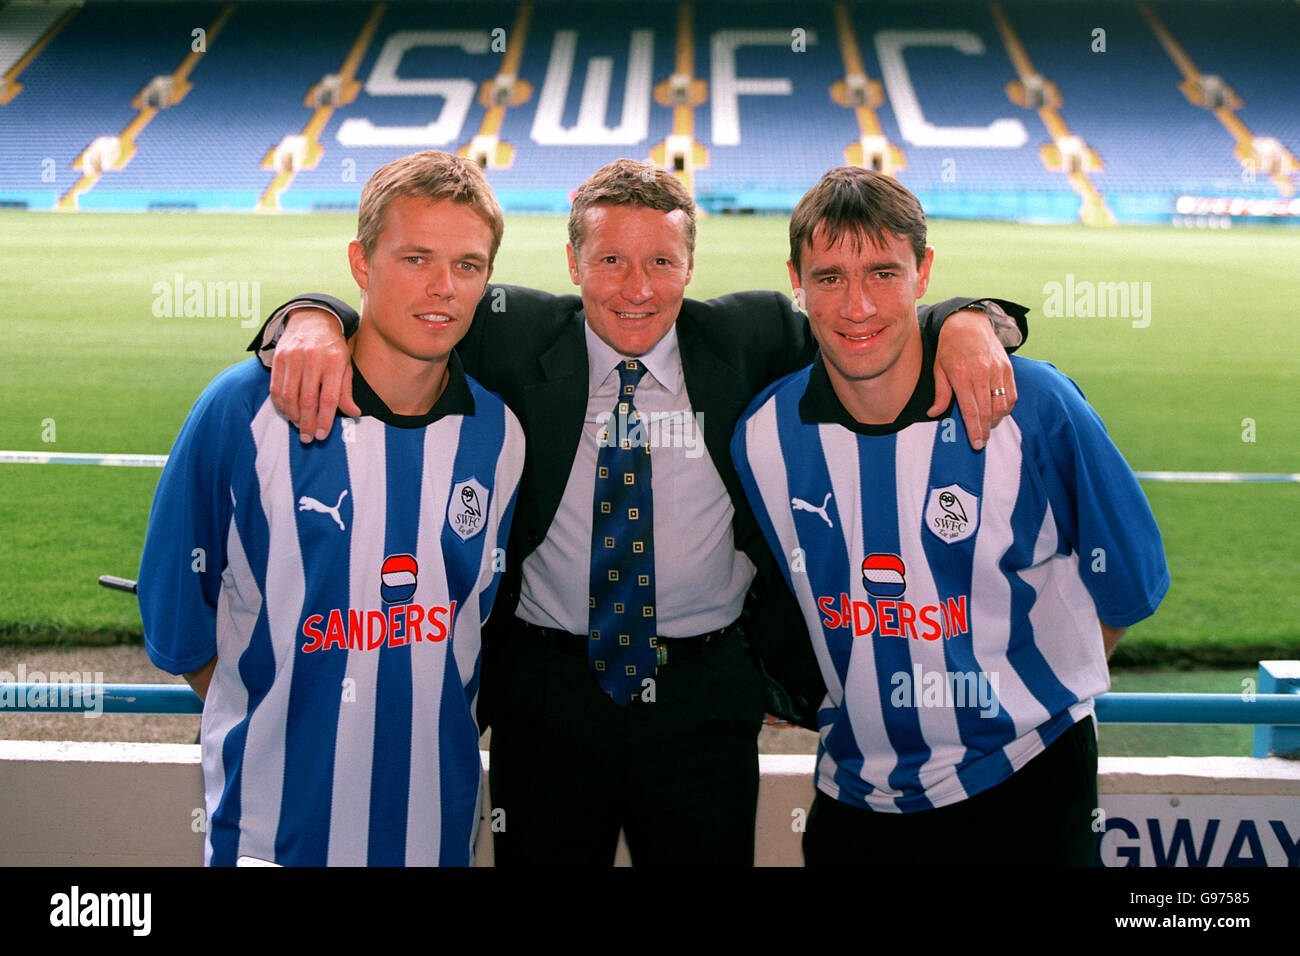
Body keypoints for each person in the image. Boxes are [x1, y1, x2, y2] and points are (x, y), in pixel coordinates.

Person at [247, 158, 1028, 866]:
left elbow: (864, 319)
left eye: (661, 261)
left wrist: (965, 318)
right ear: (572, 263)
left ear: (691, 265)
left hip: (704, 698)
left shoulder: (748, 335)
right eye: (611, 260)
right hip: (548, 696)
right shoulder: (512, 333)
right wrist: (310, 316)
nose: (637, 287)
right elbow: (407, 309)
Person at [731, 166, 1169, 866]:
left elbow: (1128, 586)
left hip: (1028, 783)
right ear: (796, 280)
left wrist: (1025, 701)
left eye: (883, 272)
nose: (857, 306)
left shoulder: (1034, 404)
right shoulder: (761, 435)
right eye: (829, 277)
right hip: (856, 799)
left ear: (924, 271)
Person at [138, 151, 525, 866]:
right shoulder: (242, 411)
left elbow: (475, 631)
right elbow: (180, 626)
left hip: (434, 840)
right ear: (359, 262)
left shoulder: (500, 436)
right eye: (415, 258)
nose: (443, 288)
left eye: (468, 266)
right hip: (270, 843)